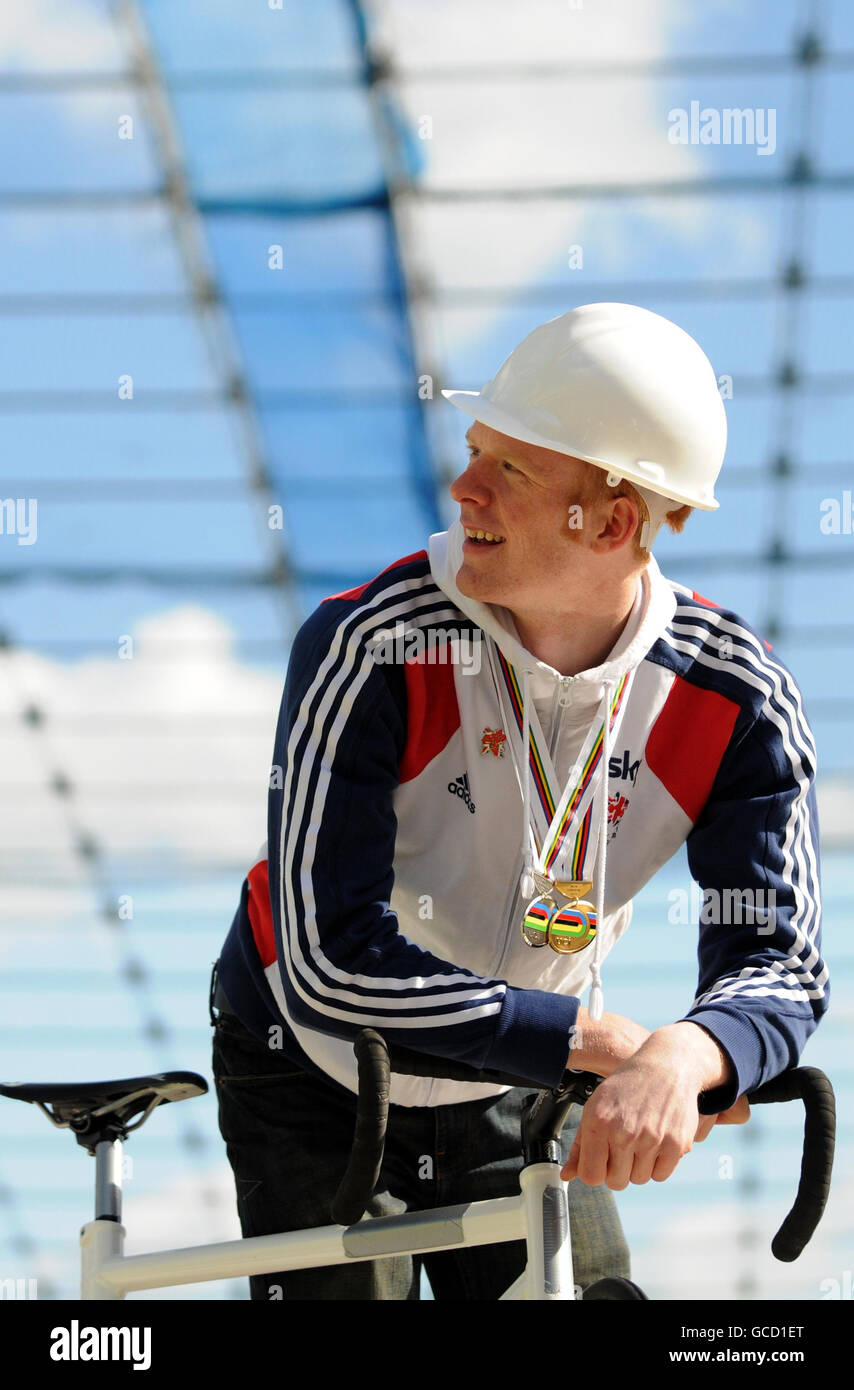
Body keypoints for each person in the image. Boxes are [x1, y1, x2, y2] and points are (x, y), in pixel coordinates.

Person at [210, 302, 827, 1301]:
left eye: (512, 470)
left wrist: (685, 1054)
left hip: (516, 1081)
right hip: (312, 1063)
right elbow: (329, 957)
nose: (462, 488)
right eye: (475, 451)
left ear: (614, 521)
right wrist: (588, 1043)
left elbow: (778, 961)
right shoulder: (369, 642)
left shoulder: (735, 694)